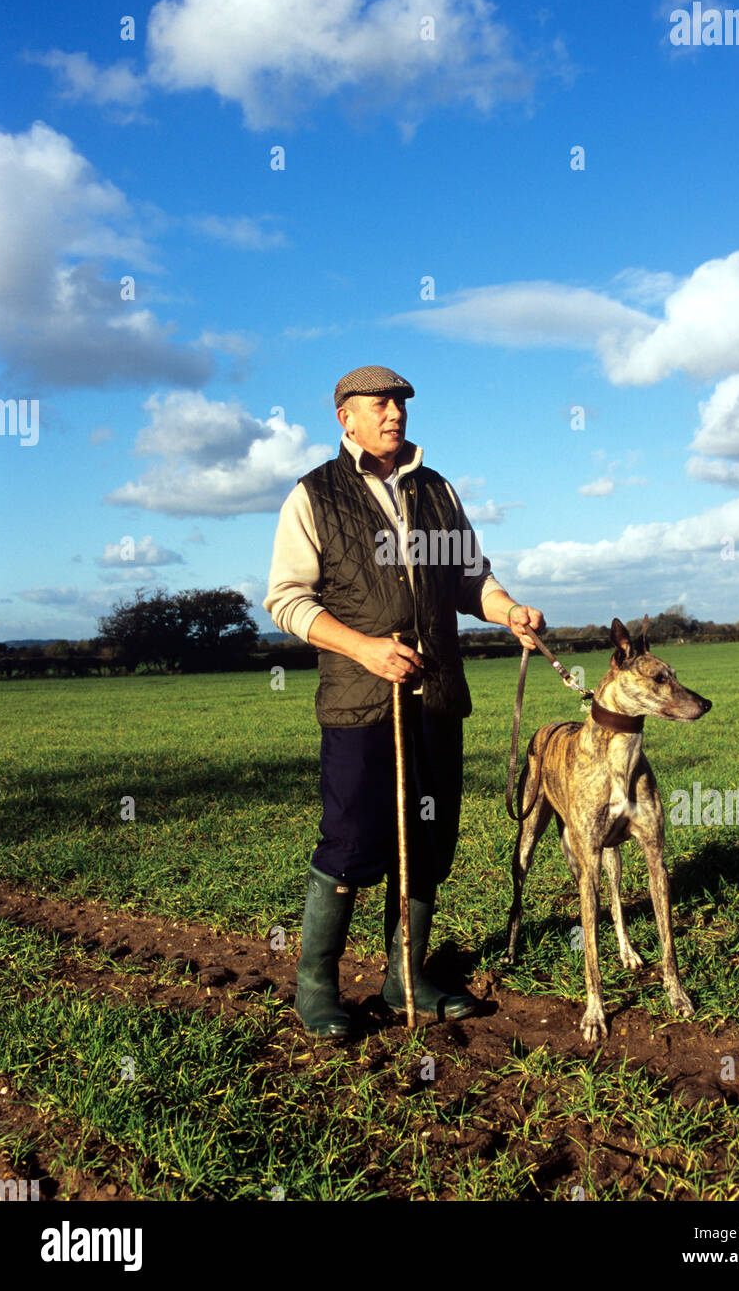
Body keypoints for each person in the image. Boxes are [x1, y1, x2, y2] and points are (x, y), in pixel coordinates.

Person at [263, 366, 545, 1038]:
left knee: (427, 840)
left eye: (400, 403)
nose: (394, 413)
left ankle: (404, 977)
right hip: (362, 704)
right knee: (352, 841)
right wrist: (364, 648)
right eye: (379, 403)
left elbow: (472, 580)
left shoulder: (437, 491)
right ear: (346, 418)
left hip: (435, 700)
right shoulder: (314, 496)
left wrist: (508, 611)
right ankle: (315, 989)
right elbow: (286, 599)